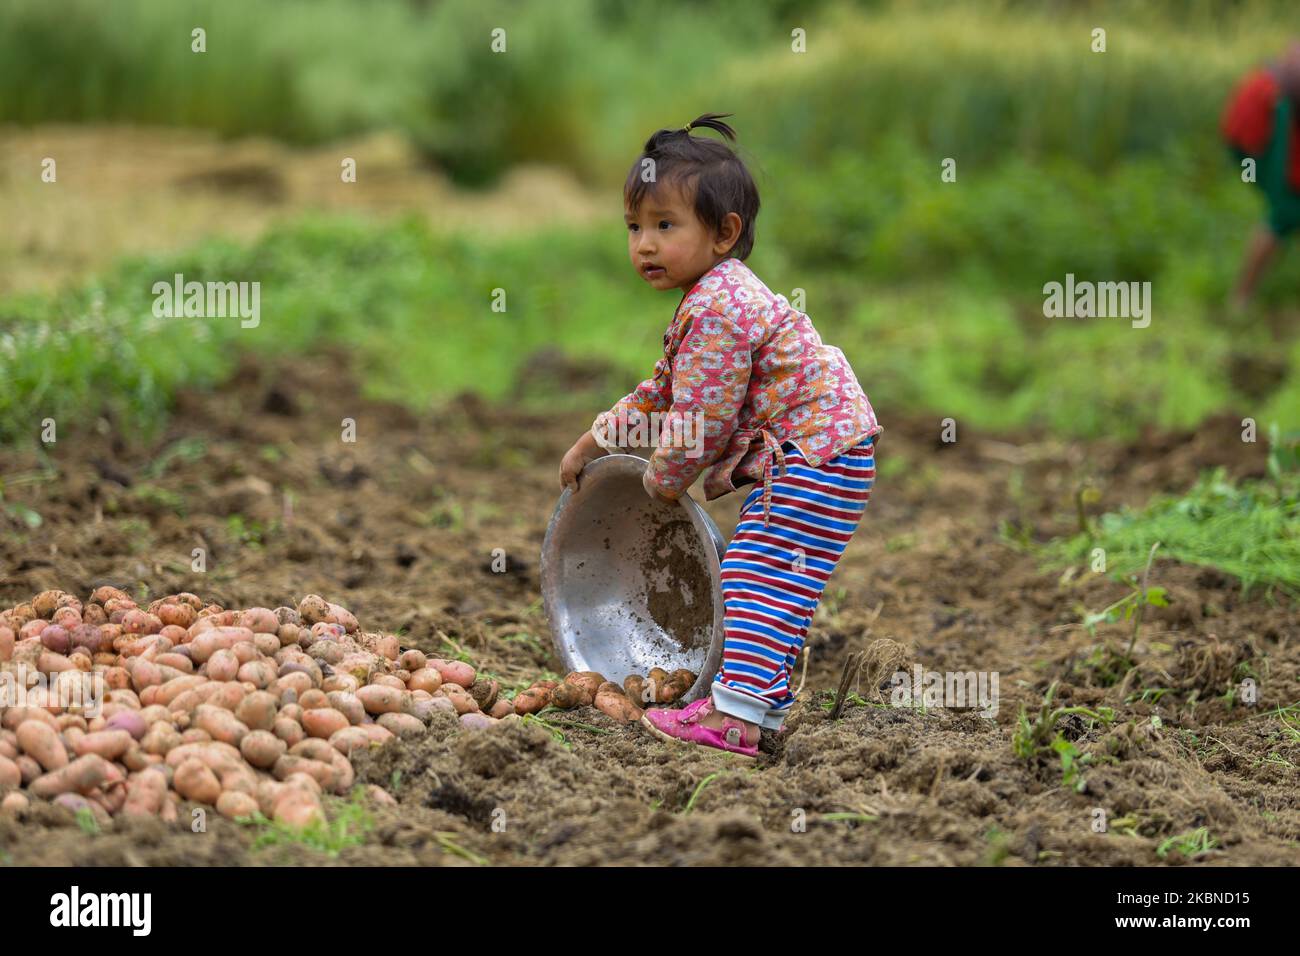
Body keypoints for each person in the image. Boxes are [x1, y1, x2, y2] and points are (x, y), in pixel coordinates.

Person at [558, 113, 881, 758]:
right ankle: (759, 703)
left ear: (725, 233)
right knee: (779, 574)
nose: (644, 245)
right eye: (635, 228)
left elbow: (698, 422)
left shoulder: (718, 311)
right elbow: (660, 394)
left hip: (810, 455)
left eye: (665, 226)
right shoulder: (709, 298)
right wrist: (592, 442)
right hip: (829, 451)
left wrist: (662, 480)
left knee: (754, 571)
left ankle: (735, 717)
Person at [1223, 41, 1300, 310]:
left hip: (1264, 139)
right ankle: (1240, 299)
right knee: (1286, 212)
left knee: (1286, 211)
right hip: (1258, 140)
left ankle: (1241, 299)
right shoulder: (1273, 89)